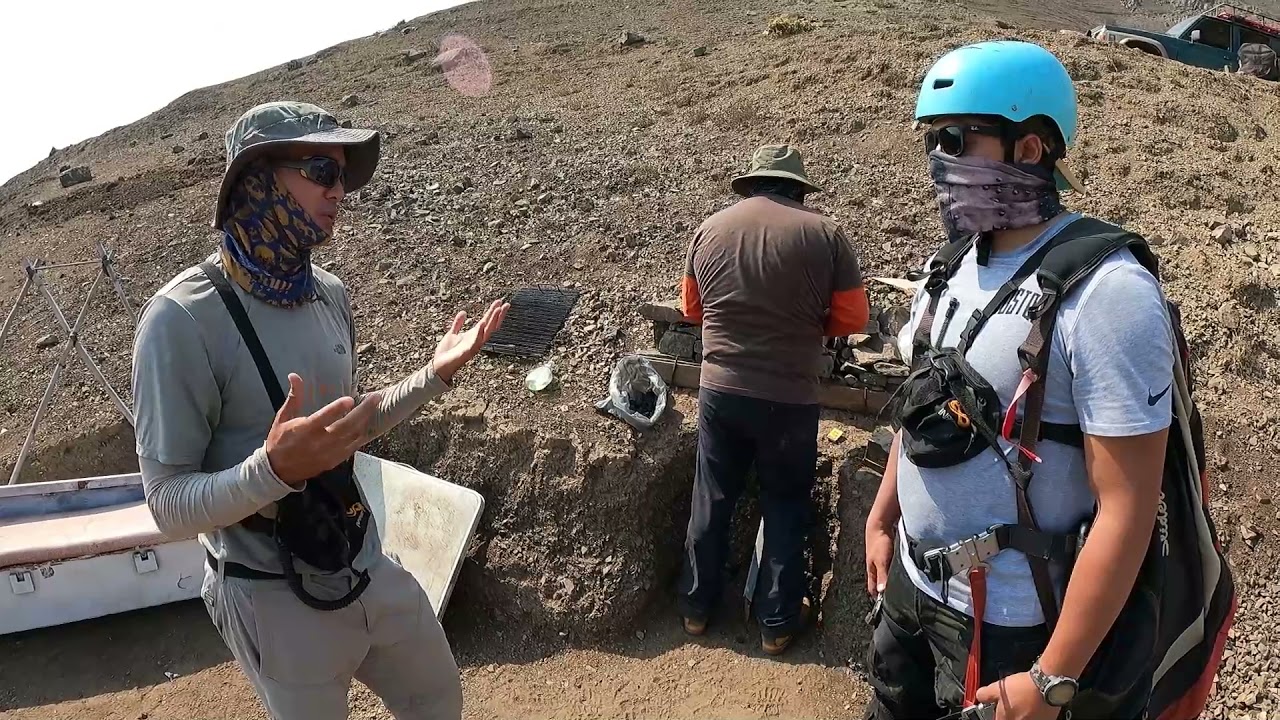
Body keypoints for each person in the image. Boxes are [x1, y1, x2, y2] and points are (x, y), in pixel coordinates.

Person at [131, 100, 508, 720]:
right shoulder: (181, 321)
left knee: (437, 699)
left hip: (359, 557)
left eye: (343, 175)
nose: (340, 192)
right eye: (320, 171)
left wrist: (434, 376)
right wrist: (272, 471)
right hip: (271, 596)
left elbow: (350, 427)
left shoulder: (327, 293)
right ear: (259, 179)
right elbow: (166, 504)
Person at [862, 42, 1173, 719]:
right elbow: (924, 404)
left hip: (1007, 630)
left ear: (1029, 149)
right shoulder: (949, 266)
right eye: (931, 143)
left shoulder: (1108, 292)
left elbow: (1129, 506)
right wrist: (884, 515)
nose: (937, 163)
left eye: (953, 139)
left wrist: (1054, 676)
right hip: (913, 596)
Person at [676, 144, 869, 656]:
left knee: (713, 494)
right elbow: (853, 318)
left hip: (720, 390)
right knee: (784, 501)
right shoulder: (826, 234)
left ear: (752, 183)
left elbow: (691, 309)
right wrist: (807, 324)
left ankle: (696, 611)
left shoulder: (710, 228)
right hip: (790, 397)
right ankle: (777, 625)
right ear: (799, 189)